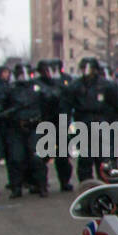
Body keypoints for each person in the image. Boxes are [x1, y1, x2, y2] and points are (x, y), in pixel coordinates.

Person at [68, 56, 118, 182]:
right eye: (84, 68)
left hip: (102, 125)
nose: (86, 72)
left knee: (104, 159)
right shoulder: (75, 86)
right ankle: (86, 186)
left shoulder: (107, 86)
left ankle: (108, 184)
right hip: (84, 126)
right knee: (85, 160)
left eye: (90, 69)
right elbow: (66, 106)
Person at [0, 63, 48, 198]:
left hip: (34, 126)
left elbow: (51, 99)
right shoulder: (10, 89)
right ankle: (16, 187)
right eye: (20, 74)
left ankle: (41, 186)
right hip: (16, 128)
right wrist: (1, 112)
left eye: (26, 74)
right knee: (16, 158)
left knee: (37, 157)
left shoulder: (37, 87)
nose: (23, 77)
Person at [35, 59, 72, 191]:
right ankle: (41, 184)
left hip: (60, 122)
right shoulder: (37, 84)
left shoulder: (63, 81)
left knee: (62, 156)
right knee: (43, 155)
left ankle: (64, 182)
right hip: (45, 122)